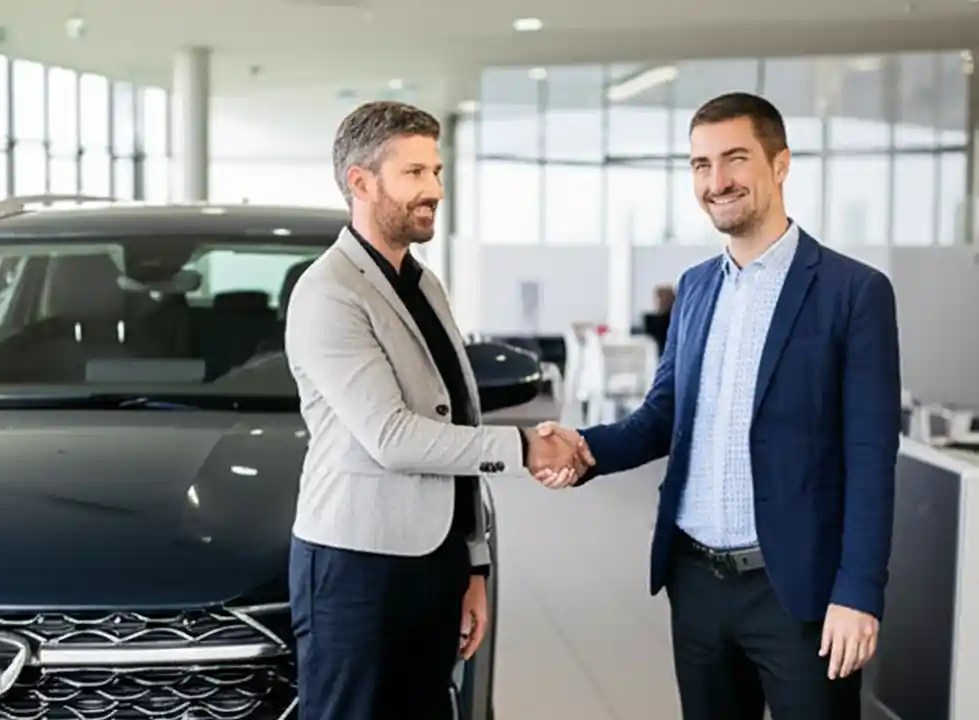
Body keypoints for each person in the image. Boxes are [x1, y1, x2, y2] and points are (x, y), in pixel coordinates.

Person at [538, 92, 900, 720]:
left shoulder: (854, 293)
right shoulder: (697, 287)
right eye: (700, 165)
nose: (716, 181)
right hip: (697, 581)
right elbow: (662, 416)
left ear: (780, 164)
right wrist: (585, 447)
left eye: (734, 159)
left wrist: (859, 592)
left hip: (798, 591)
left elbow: (871, 457)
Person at [284, 100, 592, 720]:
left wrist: (472, 565)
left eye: (437, 172)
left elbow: (459, 417)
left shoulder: (424, 284)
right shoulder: (329, 293)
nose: (434, 191)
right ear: (361, 182)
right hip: (358, 570)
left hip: (435, 563)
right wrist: (527, 447)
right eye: (415, 173)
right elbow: (393, 437)